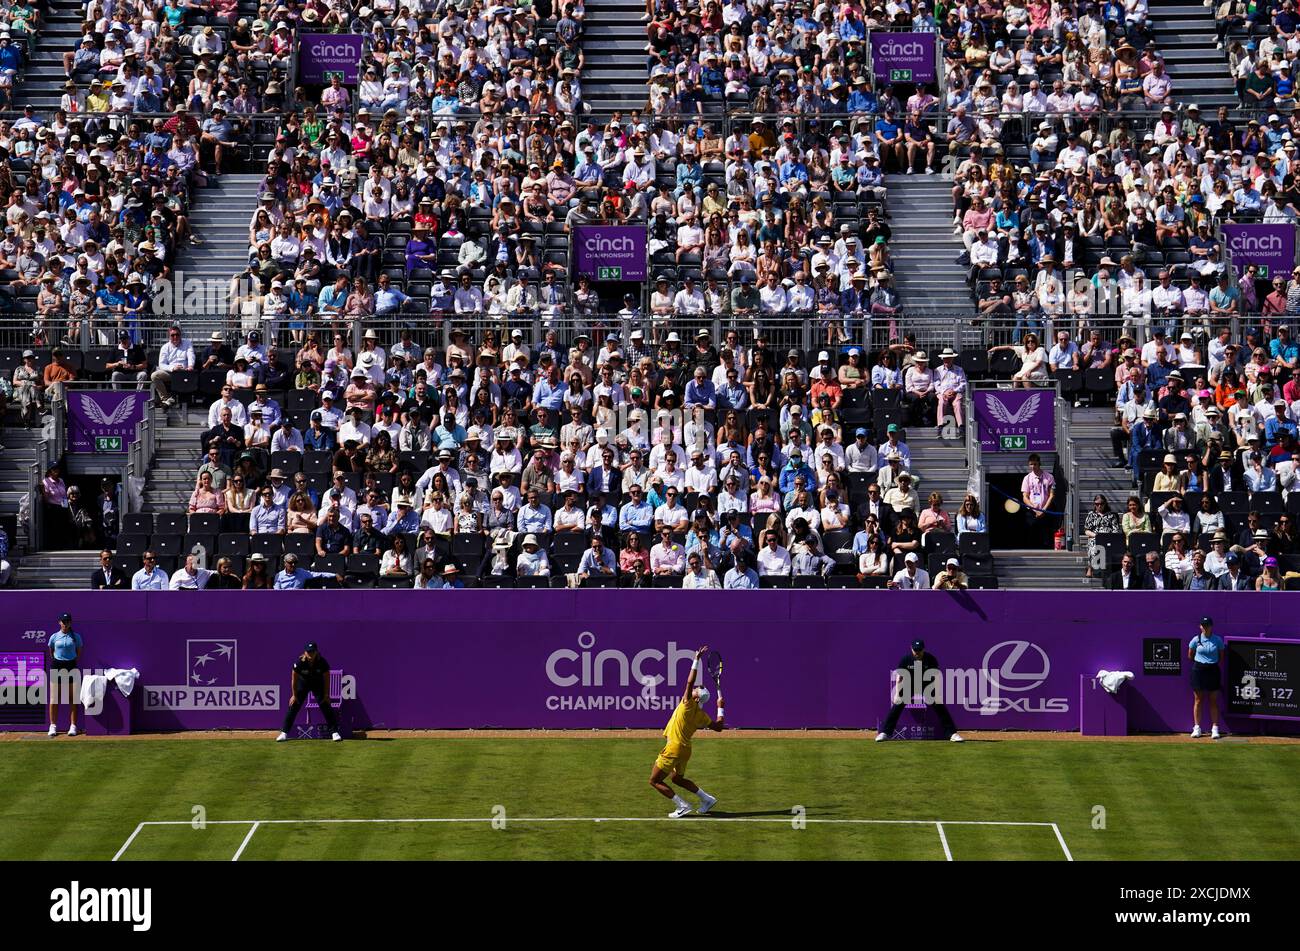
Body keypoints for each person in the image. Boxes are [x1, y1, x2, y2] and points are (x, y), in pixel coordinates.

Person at [649, 645, 724, 818]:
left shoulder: (688, 704)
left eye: (697, 690)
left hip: (674, 748)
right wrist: (720, 708)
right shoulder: (702, 716)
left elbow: (689, 682)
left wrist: (696, 660)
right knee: (677, 779)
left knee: (654, 780)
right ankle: (707, 799)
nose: (695, 688)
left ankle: (682, 805)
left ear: (696, 697)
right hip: (685, 750)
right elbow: (719, 727)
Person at [875, 638, 963, 742]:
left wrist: (936, 693)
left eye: (919, 650)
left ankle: (952, 733)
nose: (917, 653)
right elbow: (900, 678)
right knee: (897, 706)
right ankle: (885, 733)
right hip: (910, 685)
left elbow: (936, 677)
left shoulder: (931, 659)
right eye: (915, 650)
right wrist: (898, 694)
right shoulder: (906, 659)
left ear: (923, 649)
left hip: (926, 685)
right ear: (911, 649)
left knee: (940, 706)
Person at [276, 642, 342, 742]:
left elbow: (327, 678)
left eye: (313, 652)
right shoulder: (299, 662)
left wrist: (326, 694)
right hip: (303, 684)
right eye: (309, 652)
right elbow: (294, 679)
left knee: (325, 705)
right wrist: (294, 695)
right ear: (305, 653)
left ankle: (334, 732)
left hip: (317, 684)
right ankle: (284, 733)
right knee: (294, 705)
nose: (311, 654)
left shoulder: (322, 662)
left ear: (316, 652)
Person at [46, 612, 82, 737]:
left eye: (67, 621)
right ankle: (53, 726)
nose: (65, 624)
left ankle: (73, 726)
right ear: (59, 622)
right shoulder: (54, 637)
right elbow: (51, 651)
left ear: (70, 623)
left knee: (72, 698)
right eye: (63, 621)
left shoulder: (76, 637)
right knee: (54, 698)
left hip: (71, 666)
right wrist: (59, 660)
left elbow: (78, 652)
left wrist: (69, 660)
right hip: (57, 666)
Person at [1188, 617, 1224, 740]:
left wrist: (1210, 664)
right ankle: (1197, 728)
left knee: (1213, 700)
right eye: (1203, 625)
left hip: (1213, 670)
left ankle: (1215, 729)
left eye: (1207, 625)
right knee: (1198, 700)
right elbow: (1190, 655)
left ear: (1211, 626)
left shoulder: (1217, 640)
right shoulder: (1196, 639)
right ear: (1200, 626)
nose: (1205, 627)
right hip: (1198, 671)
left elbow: (1221, 656)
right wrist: (1201, 663)